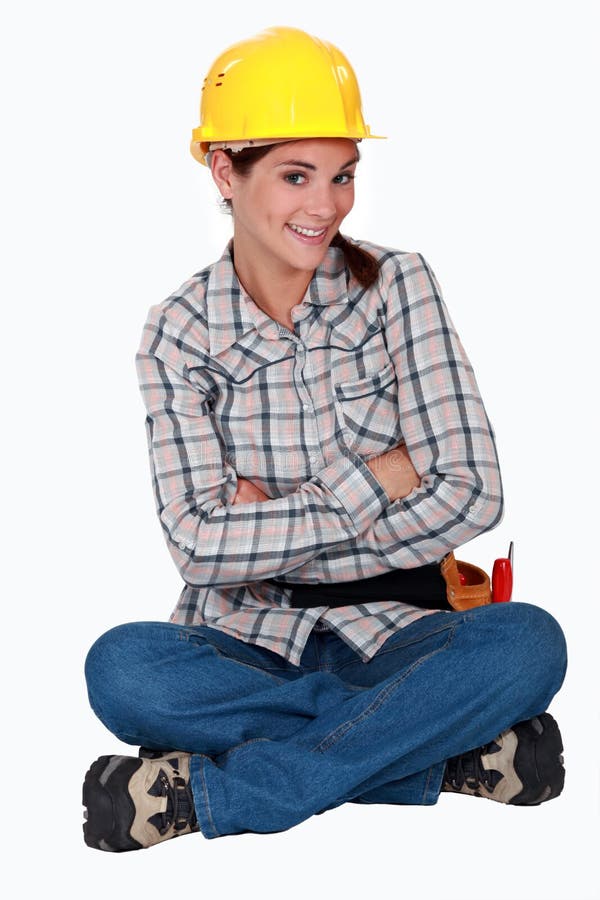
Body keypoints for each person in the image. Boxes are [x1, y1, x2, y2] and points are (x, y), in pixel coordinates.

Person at [82, 26, 567, 852]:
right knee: (122, 670)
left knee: (527, 645)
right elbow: (198, 549)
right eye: (295, 176)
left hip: (404, 635)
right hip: (248, 645)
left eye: (342, 176)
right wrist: (383, 475)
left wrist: (267, 523)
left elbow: (477, 491)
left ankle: (209, 794)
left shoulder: (400, 285)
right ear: (223, 171)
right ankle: (444, 755)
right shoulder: (178, 332)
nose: (327, 206)